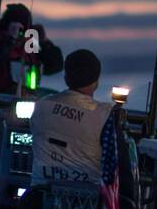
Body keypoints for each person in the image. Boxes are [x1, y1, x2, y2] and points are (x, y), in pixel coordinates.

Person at [30, 49, 111, 185]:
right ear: (96, 82)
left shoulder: (42, 105)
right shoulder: (104, 115)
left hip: (39, 192)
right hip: (86, 198)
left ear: (66, 77)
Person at [0, 3, 63, 92]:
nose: (19, 33)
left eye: (23, 29)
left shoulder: (30, 44)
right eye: (15, 27)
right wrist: (10, 41)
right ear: (5, 26)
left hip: (25, 101)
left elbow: (55, 67)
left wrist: (44, 42)